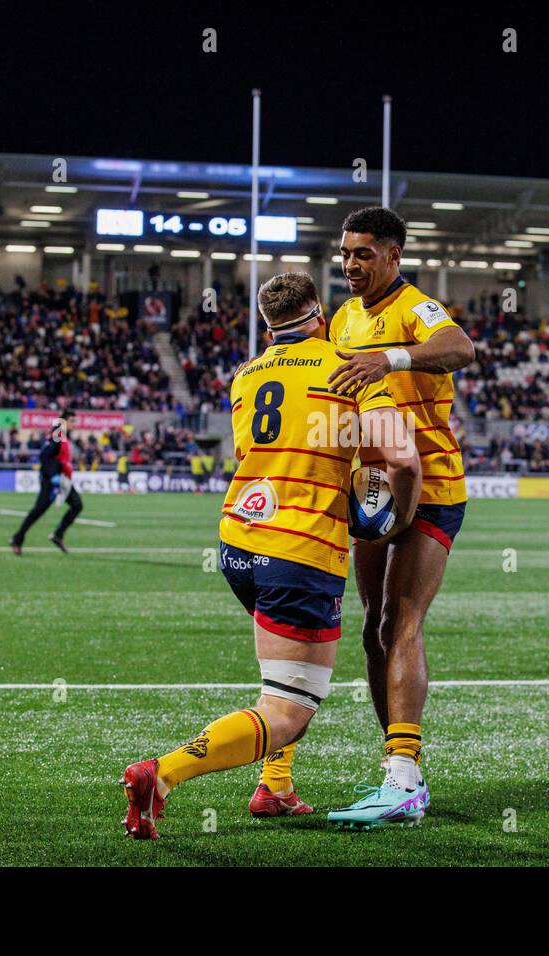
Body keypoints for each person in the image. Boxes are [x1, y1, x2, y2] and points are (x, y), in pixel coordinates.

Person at [119, 272, 420, 840]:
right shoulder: (348, 365)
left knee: (283, 679)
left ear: (268, 324)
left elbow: (251, 450)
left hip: (240, 539)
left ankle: (276, 787)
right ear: (320, 315)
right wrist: (396, 518)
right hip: (301, 548)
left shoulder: (245, 374)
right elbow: (401, 459)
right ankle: (160, 775)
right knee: (287, 709)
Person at [288, 206, 475, 830]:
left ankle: (402, 776)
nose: (350, 264)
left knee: (402, 619)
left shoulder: (413, 307)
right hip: (369, 485)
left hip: (431, 483)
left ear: (393, 255)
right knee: (372, 627)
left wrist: (392, 360)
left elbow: (459, 348)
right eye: (344, 254)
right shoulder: (342, 318)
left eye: (363, 253)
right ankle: (400, 766)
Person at [9, 411, 83, 555]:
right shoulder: (58, 433)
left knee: (77, 505)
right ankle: (17, 539)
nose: (74, 424)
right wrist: (54, 476)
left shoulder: (63, 434)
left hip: (63, 480)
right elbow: (44, 455)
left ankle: (58, 535)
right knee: (39, 510)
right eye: (72, 421)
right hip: (52, 481)